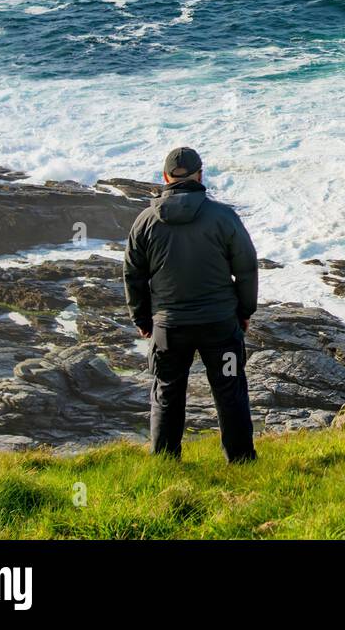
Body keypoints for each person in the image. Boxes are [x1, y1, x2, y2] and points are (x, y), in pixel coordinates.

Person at [123, 146, 259, 462]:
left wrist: (142, 319)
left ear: (165, 177)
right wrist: (244, 312)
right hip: (220, 327)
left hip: (169, 330)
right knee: (230, 393)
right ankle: (240, 463)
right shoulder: (224, 217)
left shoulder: (145, 222)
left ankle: (165, 464)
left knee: (167, 394)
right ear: (200, 175)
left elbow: (133, 275)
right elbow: (247, 268)